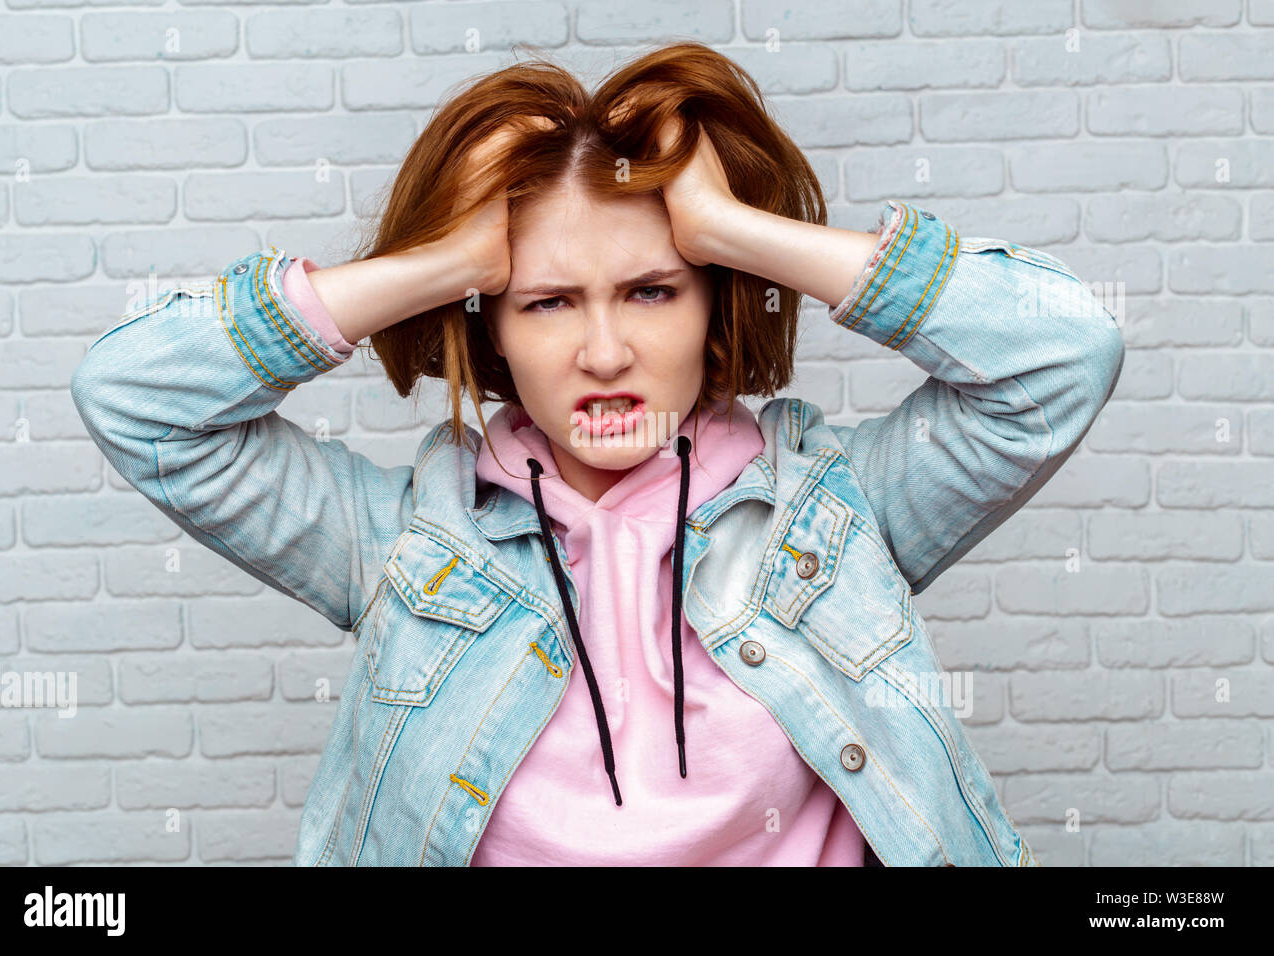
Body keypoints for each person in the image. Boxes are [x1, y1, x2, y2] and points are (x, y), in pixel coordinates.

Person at [71, 42, 1124, 866]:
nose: (606, 351)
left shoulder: (838, 513)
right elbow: (136, 400)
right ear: (490, 327)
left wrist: (735, 231)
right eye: (547, 301)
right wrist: (439, 260)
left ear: (712, 299)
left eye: (653, 289)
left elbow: (1061, 354)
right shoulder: (402, 541)